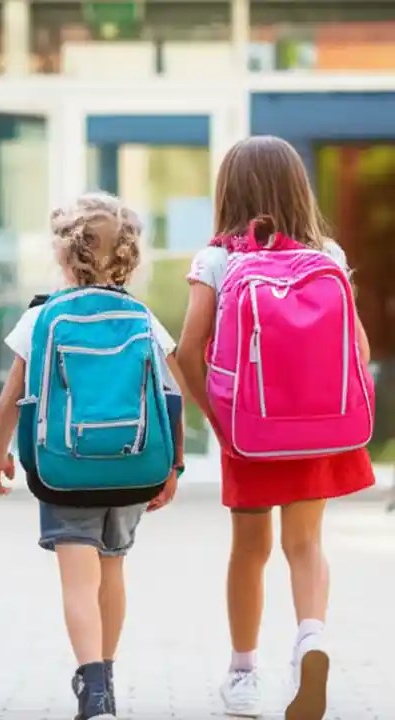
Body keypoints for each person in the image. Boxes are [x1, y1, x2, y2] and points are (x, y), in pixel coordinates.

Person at [176, 136, 375, 720]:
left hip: (252, 428)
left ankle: (242, 674)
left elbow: (188, 351)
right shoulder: (329, 255)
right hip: (317, 425)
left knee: (249, 549)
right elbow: (357, 347)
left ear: (228, 191)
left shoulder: (217, 259)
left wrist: (217, 419)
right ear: (299, 188)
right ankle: (311, 639)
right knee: (307, 543)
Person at [0, 192, 183, 720]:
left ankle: (92, 689)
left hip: (63, 467)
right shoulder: (140, 316)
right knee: (112, 570)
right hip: (131, 465)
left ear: (63, 253)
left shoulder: (42, 317)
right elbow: (170, 395)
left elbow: (10, 400)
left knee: (79, 580)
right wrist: (174, 467)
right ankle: (109, 678)